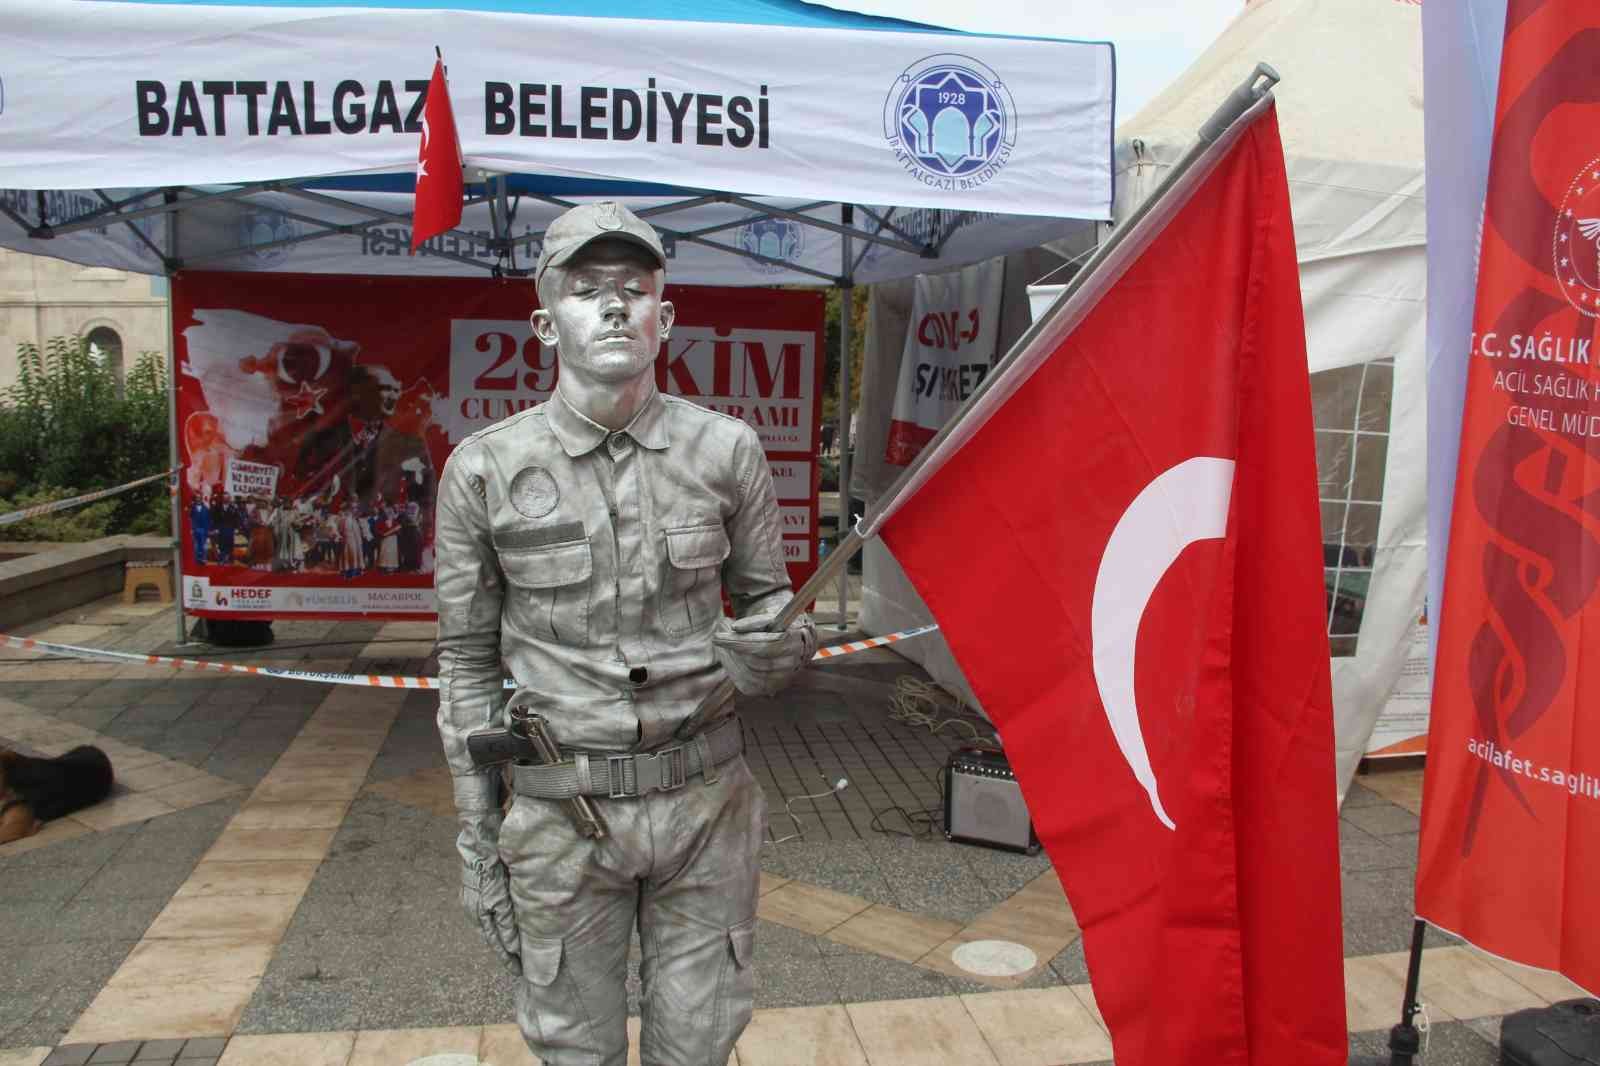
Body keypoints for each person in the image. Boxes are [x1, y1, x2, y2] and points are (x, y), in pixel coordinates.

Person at [434, 201, 815, 1066]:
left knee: (700, 1047)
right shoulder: (486, 468)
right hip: (561, 815)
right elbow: (463, 660)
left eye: (634, 290)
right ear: (544, 323)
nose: (613, 307)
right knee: (575, 1052)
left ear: (664, 318)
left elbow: (774, 612)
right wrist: (476, 838)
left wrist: (777, 654)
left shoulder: (727, 451)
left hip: (706, 808)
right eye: (585, 290)